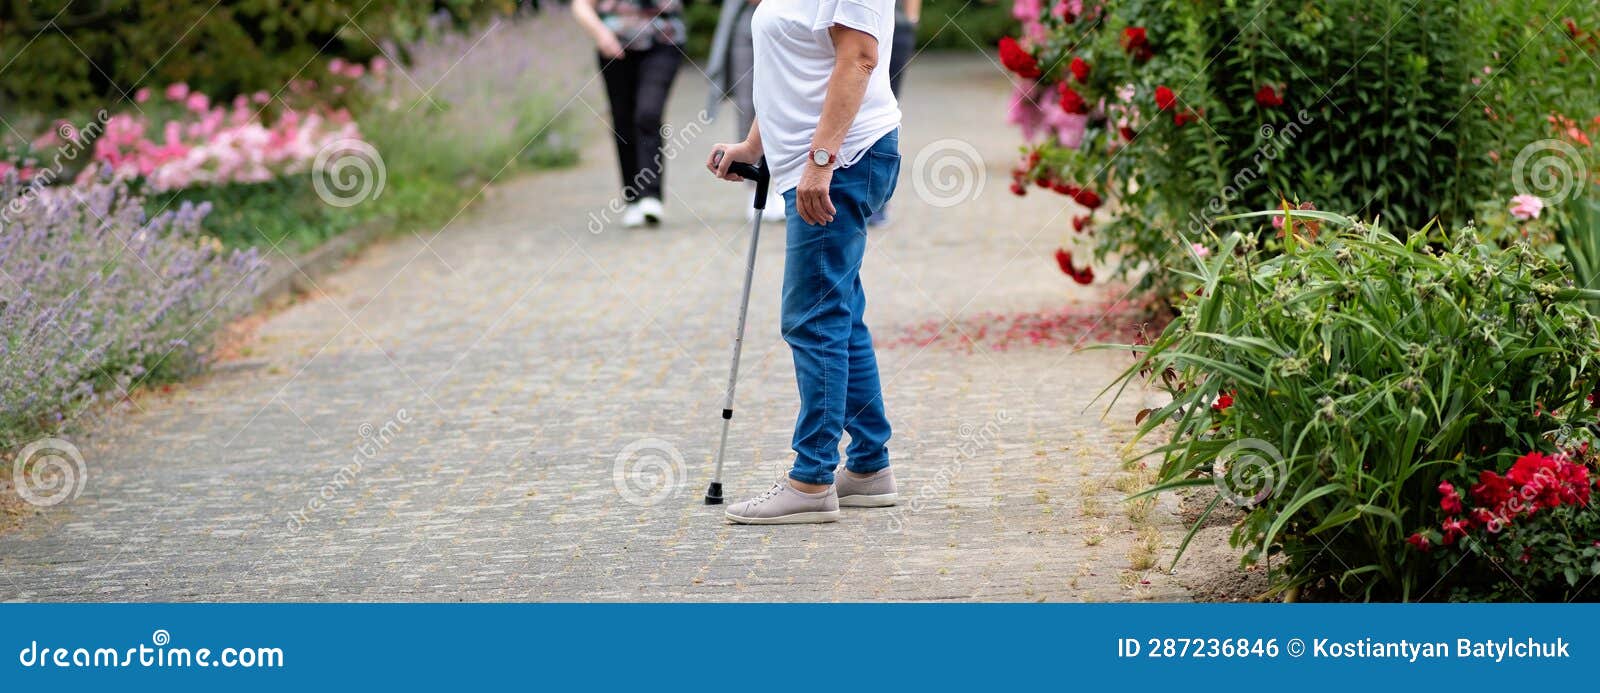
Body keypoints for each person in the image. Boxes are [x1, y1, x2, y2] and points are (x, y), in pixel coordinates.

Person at [707, 0, 902, 524]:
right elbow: (795, 69)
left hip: (844, 159)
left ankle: (812, 478)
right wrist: (754, 145)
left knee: (813, 319)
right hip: (812, 158)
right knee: (838, 313)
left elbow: (858, 58)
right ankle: (867, 466)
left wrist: (820, 162)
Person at [573, 0, 685, 228]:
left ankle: (651, 195)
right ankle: (633, 197)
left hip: (663, 43)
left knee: (648, 113)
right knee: (622, 120)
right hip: (615, 46)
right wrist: (601, 34)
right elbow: (581, 6)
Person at [704, 0, 786, 224]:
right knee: (748, 106)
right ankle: (754, 186)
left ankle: (780, 187)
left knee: (783, 105)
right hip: (747, 26)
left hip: (787, 25)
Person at [869, 0, 918, 226]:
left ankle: (878, 199)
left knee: (882, 115)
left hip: (893, 29)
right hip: (843, 31)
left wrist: (910, 20)